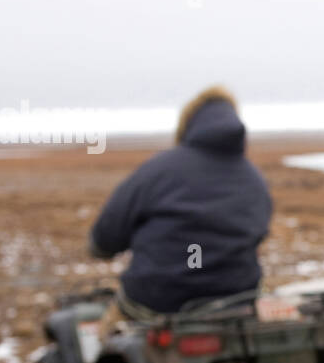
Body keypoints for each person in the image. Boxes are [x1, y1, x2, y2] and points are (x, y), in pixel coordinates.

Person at [90, 86, 272, 323]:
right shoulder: (253, 179)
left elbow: (107, 235)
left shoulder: (159, 170)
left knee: (102, 338)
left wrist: (100, 247)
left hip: (157, 303)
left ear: (189, 123)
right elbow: (259, 232)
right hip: (236, 301)